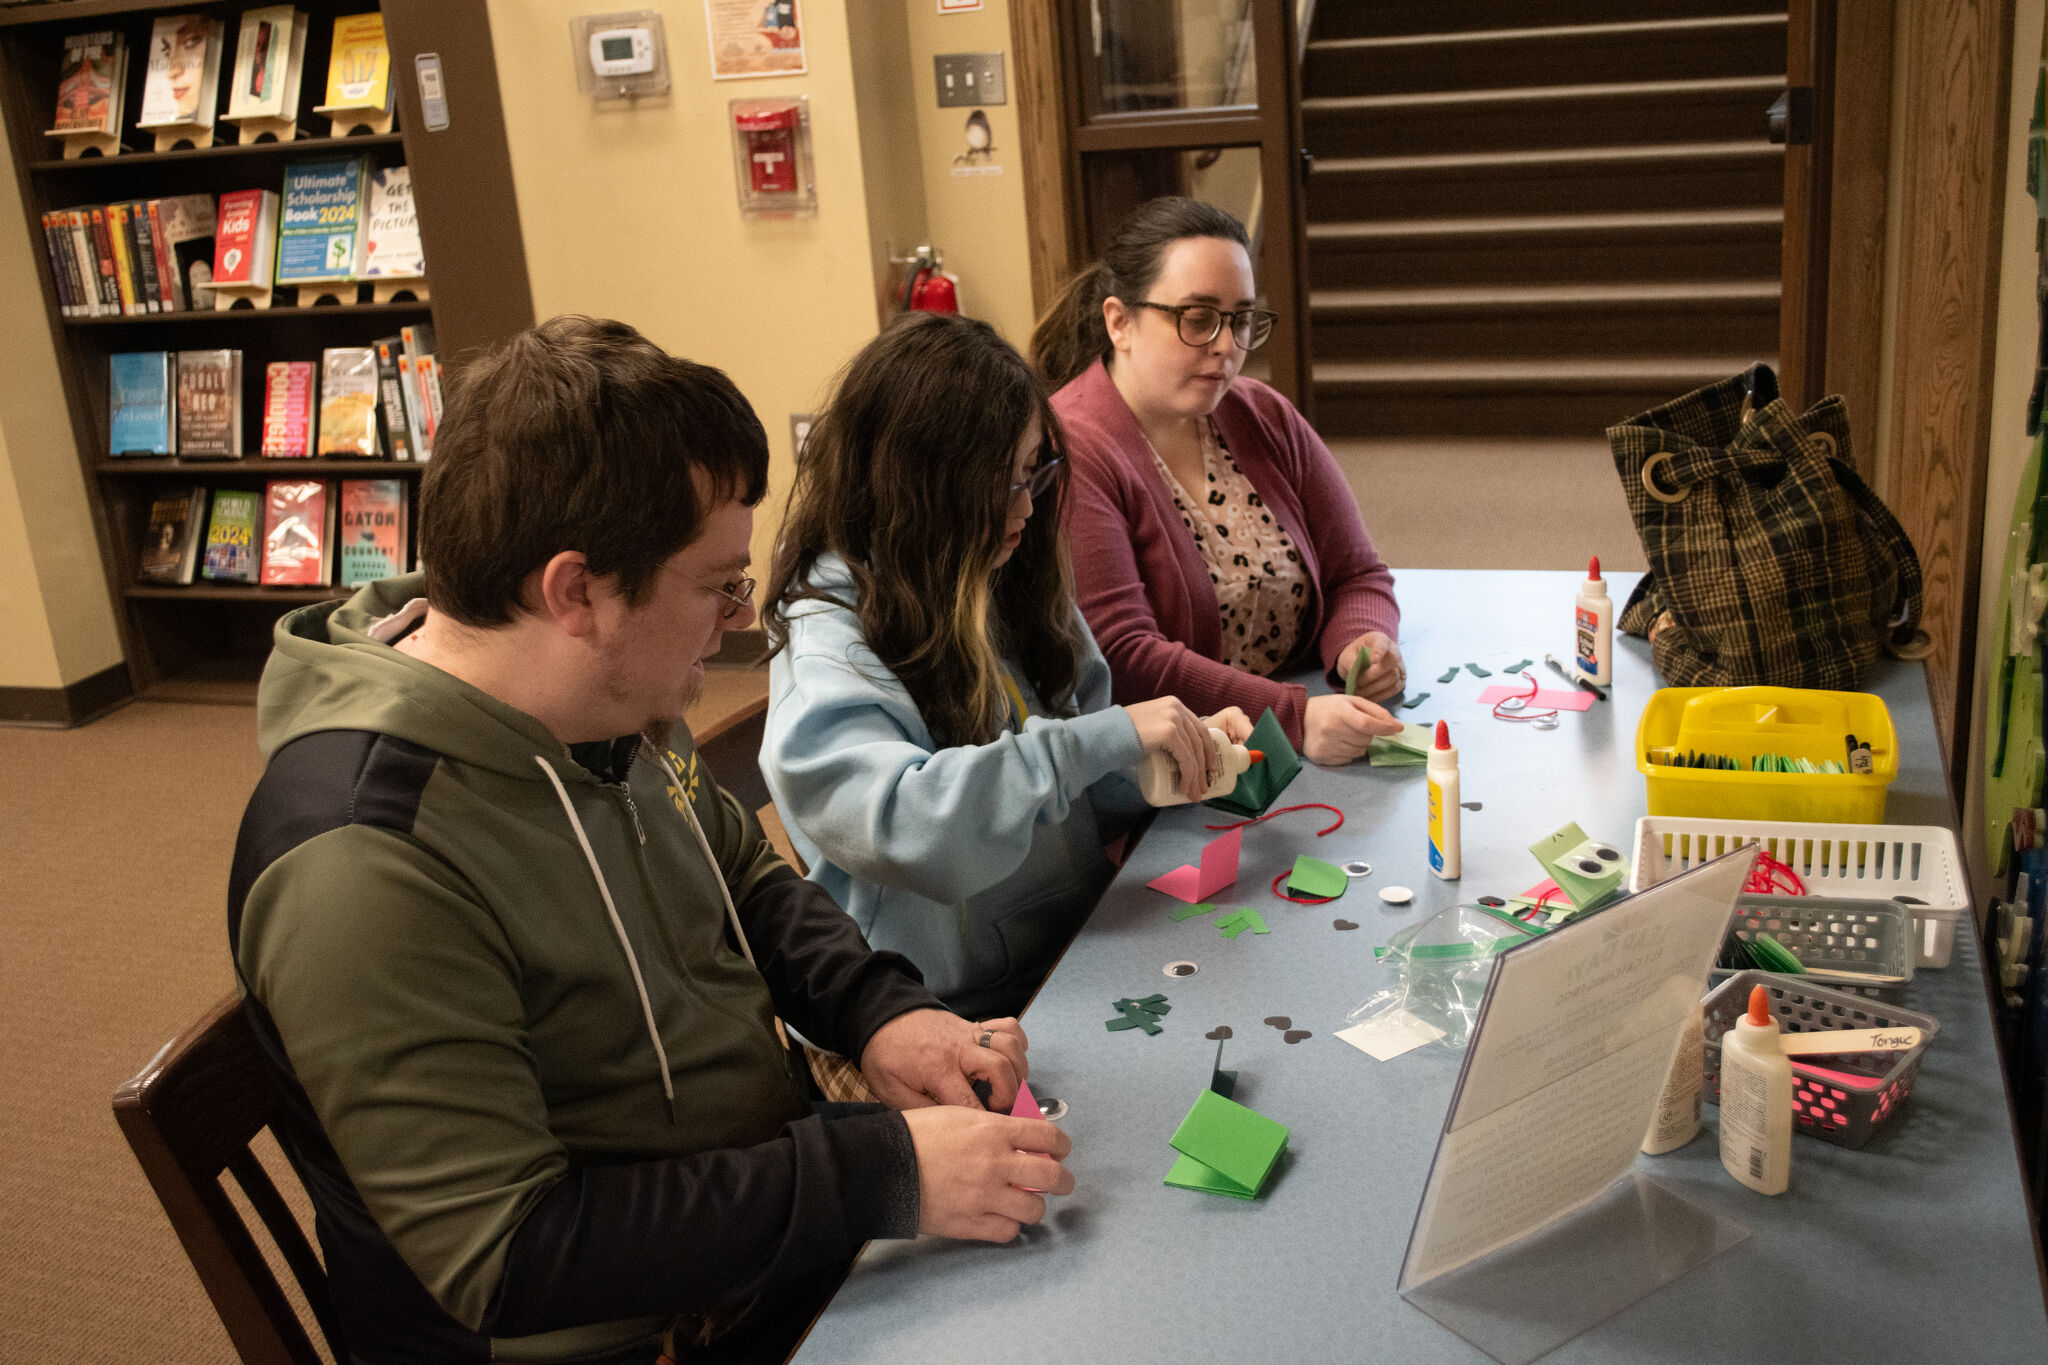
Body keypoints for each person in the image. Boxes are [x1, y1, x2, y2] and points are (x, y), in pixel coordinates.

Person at [228, 316, 1073, 1365]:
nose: (739, 616)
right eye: (717, 585)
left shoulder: (597, 704)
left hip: (755, 1233)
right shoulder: (363, 863)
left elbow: (746, 878)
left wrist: (879, 1013)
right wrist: (874, 1173)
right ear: (575, 591)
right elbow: (511, 1253)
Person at [760, 313, 1248, 1020]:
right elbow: (910, 826)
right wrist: (1106, 737)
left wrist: (1172, 757)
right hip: (950, 1008)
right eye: (1000, 482)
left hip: (1073, 949)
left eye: (1033, 472)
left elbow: (1077, 790)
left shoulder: (1007, 568)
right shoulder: (828, 634)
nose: (1026, 507)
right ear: (919, 486)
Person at [1034, 196, 1406, 766]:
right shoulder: (1077, 447)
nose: (1227, 346)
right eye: (1198, 318)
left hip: (1300, 728)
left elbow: (1355, 573)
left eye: (1241, 319)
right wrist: (1293, 717)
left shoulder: (1261, 412)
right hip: (1173, 770)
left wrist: (1362, 642)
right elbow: (1125, 660)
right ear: (1119, 322)